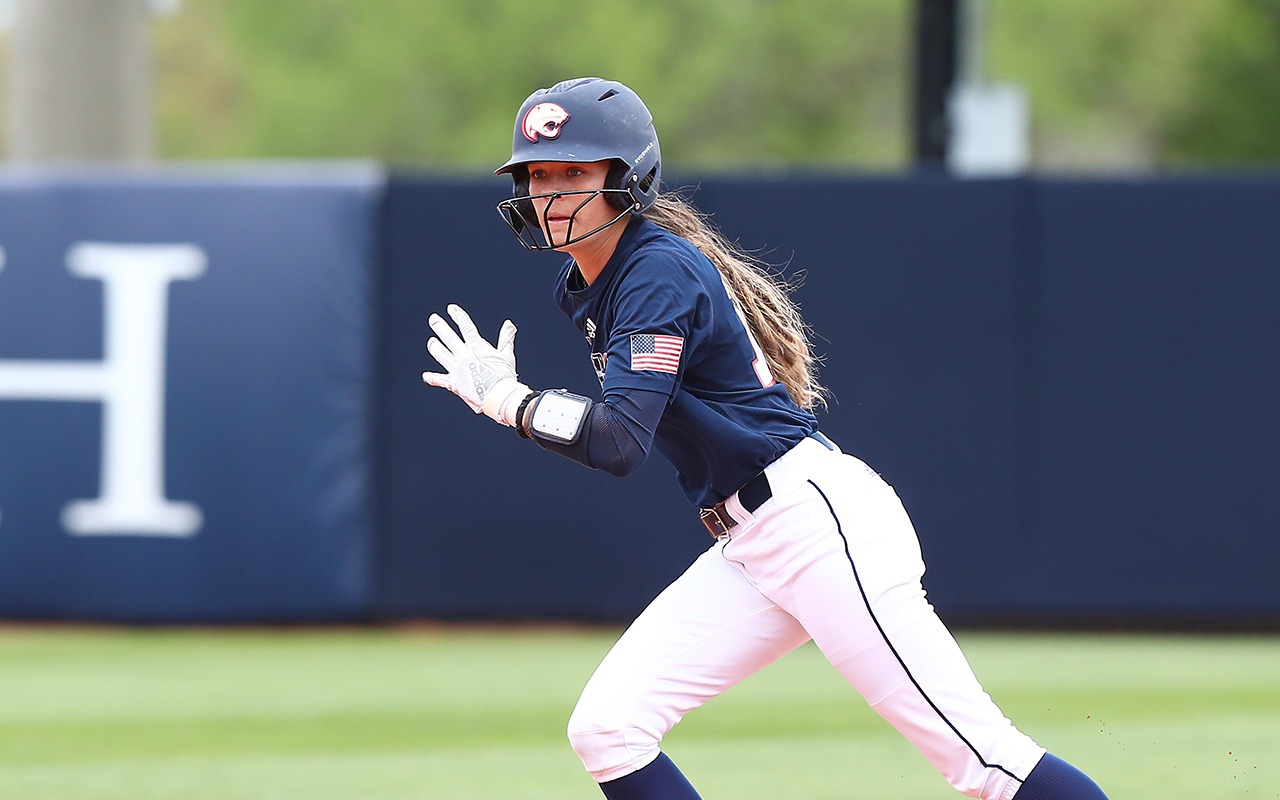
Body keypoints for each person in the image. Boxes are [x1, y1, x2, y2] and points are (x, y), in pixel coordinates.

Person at [421, 76, 1109, 800]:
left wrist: (509, 400)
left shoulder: (652, 270)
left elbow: (620, 441)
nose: (550, 191)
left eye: (574, 171)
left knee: (986, 764)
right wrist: (514, 403)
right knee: (608, 728)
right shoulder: (594, 280)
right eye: (536, 173)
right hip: (751, 541)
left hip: (816, 527)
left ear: (629, 179)